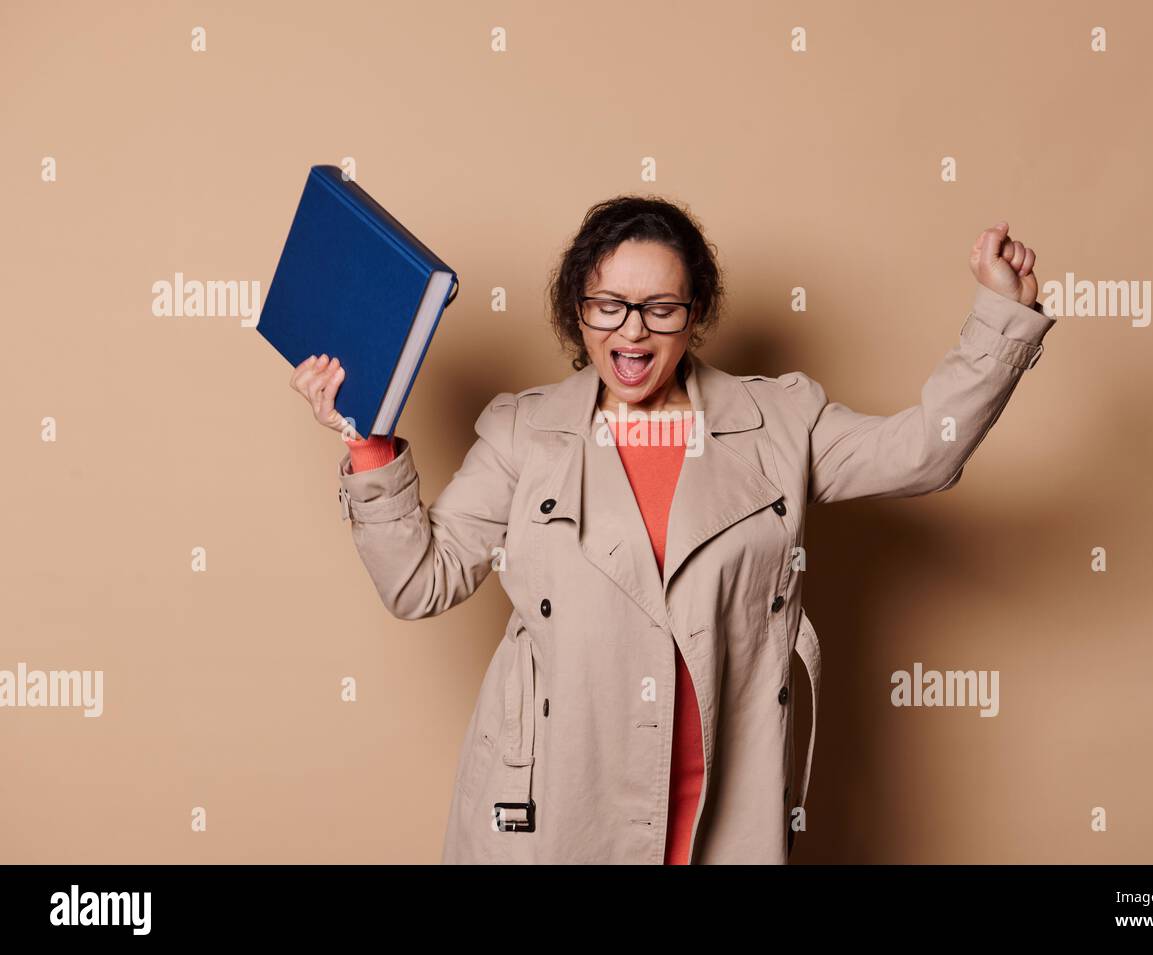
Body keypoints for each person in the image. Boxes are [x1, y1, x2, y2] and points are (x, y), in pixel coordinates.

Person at [289, 197, 1056, 864]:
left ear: (695, 314)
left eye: (662, 306)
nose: (633, 332)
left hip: (723, 803)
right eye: (608, 305)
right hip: (559, 805)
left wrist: (1000, 315)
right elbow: (418, 581)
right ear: (576, 310)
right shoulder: (525, 434)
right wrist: (369, 443)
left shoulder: (779, 423)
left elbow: (926, 451)